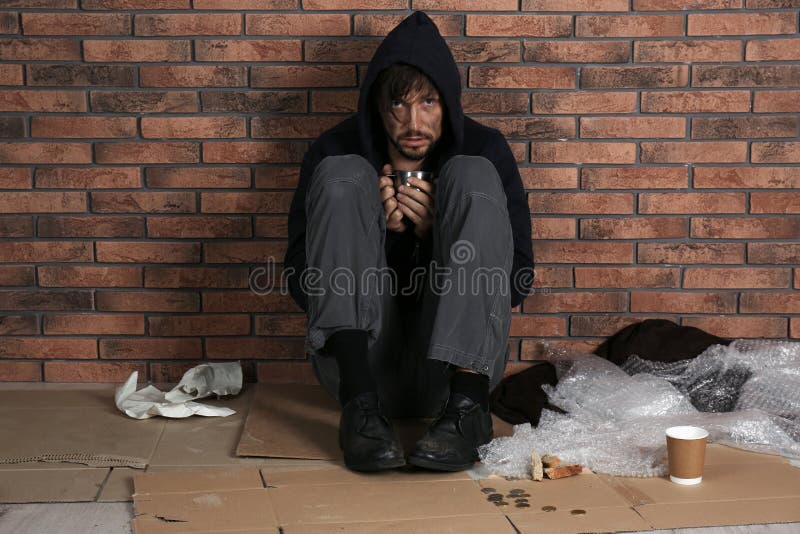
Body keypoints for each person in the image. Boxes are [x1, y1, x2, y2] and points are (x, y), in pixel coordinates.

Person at [284, 11, 534, 472]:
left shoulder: (484, 147)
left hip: (457, 373)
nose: (414, 121)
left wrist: (438, 235)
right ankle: (360, 416)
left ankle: (466, 416)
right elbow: (301, 282)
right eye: (399, 105)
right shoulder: (335, 148)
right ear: (376, 107)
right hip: (358, 371)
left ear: (449, 104)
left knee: (472, 172)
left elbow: (517, 280)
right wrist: (372, 231)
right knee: (343, 176)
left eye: (429, 103)